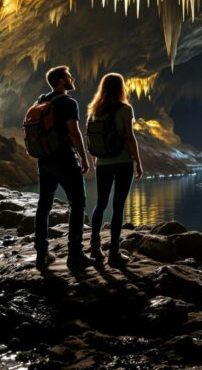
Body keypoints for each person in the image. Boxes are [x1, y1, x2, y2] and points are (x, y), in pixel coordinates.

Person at [33, 65, 94, 270]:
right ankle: (75, 254)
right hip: (64, 159)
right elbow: (74, 132)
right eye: (69, 77)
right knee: (77, 203)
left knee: (44, 206)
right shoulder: (68, 102)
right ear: (61, 81)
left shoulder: (43, 101)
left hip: (44, 160)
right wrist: (84, 159)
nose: (73, 79)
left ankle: (41, 254)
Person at [86, 73, 144, 267]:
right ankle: (114, 253)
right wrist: (138, 161)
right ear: (121, 88)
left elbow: (93, 139)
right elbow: (130, 137)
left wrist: (96, 160)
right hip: (122, 162)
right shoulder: (126, 109)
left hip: (102, 163)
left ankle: (95, 247)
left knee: (100, 204)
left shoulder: (94, 110)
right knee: (118, 206)